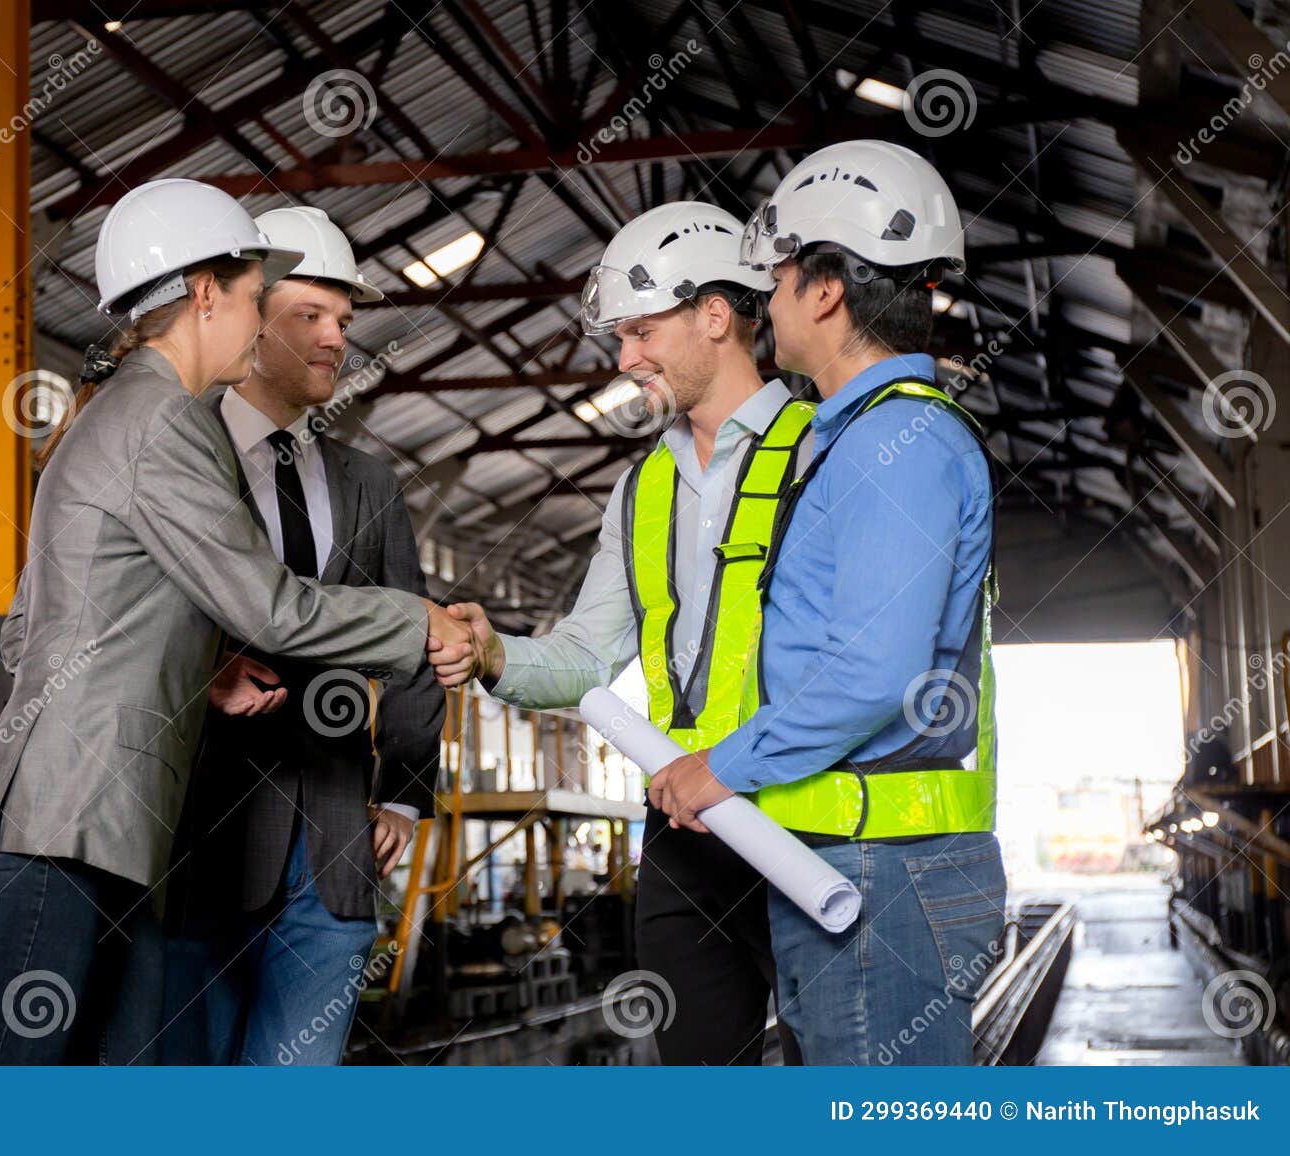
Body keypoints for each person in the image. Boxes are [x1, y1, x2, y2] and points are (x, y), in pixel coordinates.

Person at [0, 179, 472, 1065]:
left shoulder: (128, 414)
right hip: (63, 820)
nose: (261, 321)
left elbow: (43, 624)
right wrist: (418, 621)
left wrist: (200, 668)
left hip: (104, 828)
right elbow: (269, 606)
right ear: (204, 295)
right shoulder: (162, 421)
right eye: (255, 297)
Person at [647, 141, 1006, 1065]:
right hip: (852, 859)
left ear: (826, 291)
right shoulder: (855, 441)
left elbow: (875, 671)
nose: (766, 302)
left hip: (885, 873)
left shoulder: (897, 443)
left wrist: (722, 767)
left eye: (777, 278)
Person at [434, 202, 809, 1064]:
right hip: (682, 833)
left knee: (830, 1078)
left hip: (800, 821)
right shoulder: (641, 490)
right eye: (620, 337)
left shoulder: (821, 449)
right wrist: (493, 653)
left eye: (641, 331)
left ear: (715, 315)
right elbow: (583, 658)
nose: (624, 359)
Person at [160, 206, 444, 1065]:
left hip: (334, 852)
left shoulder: (368, 484)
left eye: (344, 321)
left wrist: (405, 792)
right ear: (252, 315)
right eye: (310, 315)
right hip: (199, 842)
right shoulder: (181, 457)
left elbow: (414, 641)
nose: (334, 340)